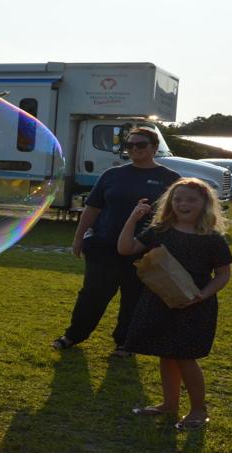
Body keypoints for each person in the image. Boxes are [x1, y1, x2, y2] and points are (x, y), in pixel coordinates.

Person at [117, 178, 232, 431]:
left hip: (195, 305)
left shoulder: (213, 239)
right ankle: (170, 405)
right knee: (167, 354)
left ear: (204, 204)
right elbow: (126, 248)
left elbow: (223, 274)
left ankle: (198, 411)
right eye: (178, 198)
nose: (183, 204)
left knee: (185, 357)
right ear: (170, 202)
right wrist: (132, 219)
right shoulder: (160, 231)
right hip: (160, 301)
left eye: (191, 199)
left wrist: (202, 295)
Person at [54, 126, 180, 357]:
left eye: (140, 144)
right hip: (104, 246)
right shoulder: (112, 175)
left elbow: (177, 215)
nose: (134, 149)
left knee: (134, 298)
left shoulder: (170, 179)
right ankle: (73, 336)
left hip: (142, 250)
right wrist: (79, 237)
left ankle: (125, 343)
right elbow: (92, 208)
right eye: (129, 145)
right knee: (92, 294)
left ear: (154, 147)